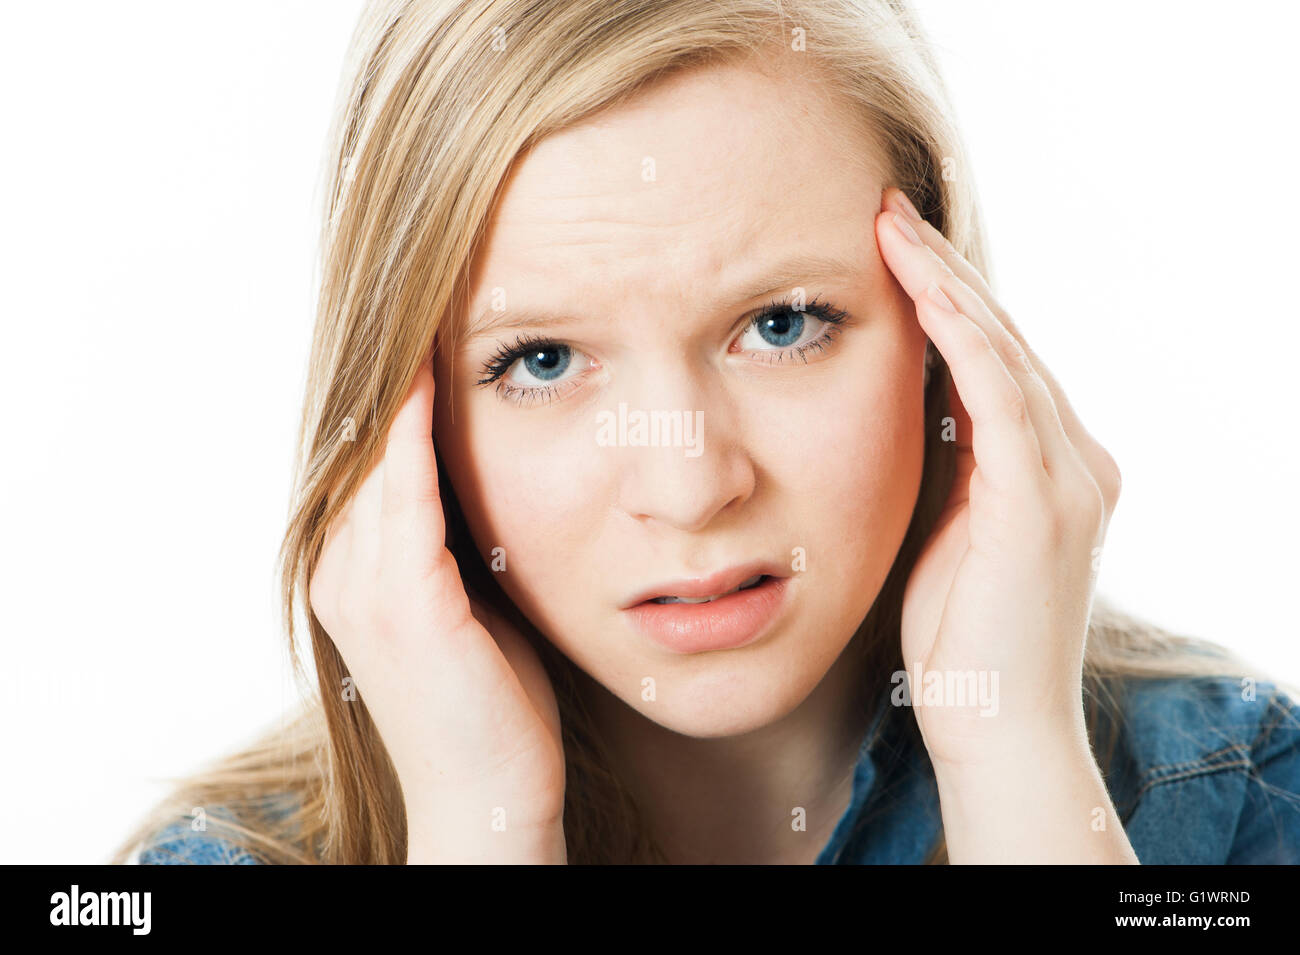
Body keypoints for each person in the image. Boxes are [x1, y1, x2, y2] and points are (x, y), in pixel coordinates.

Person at [117, 0, 1300, 865]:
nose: (688, 486)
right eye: (540, 360)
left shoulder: (1241, 795)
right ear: (397, 416)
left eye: (782, 325)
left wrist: (1016, 764)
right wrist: (484, 826)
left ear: (948, 338)